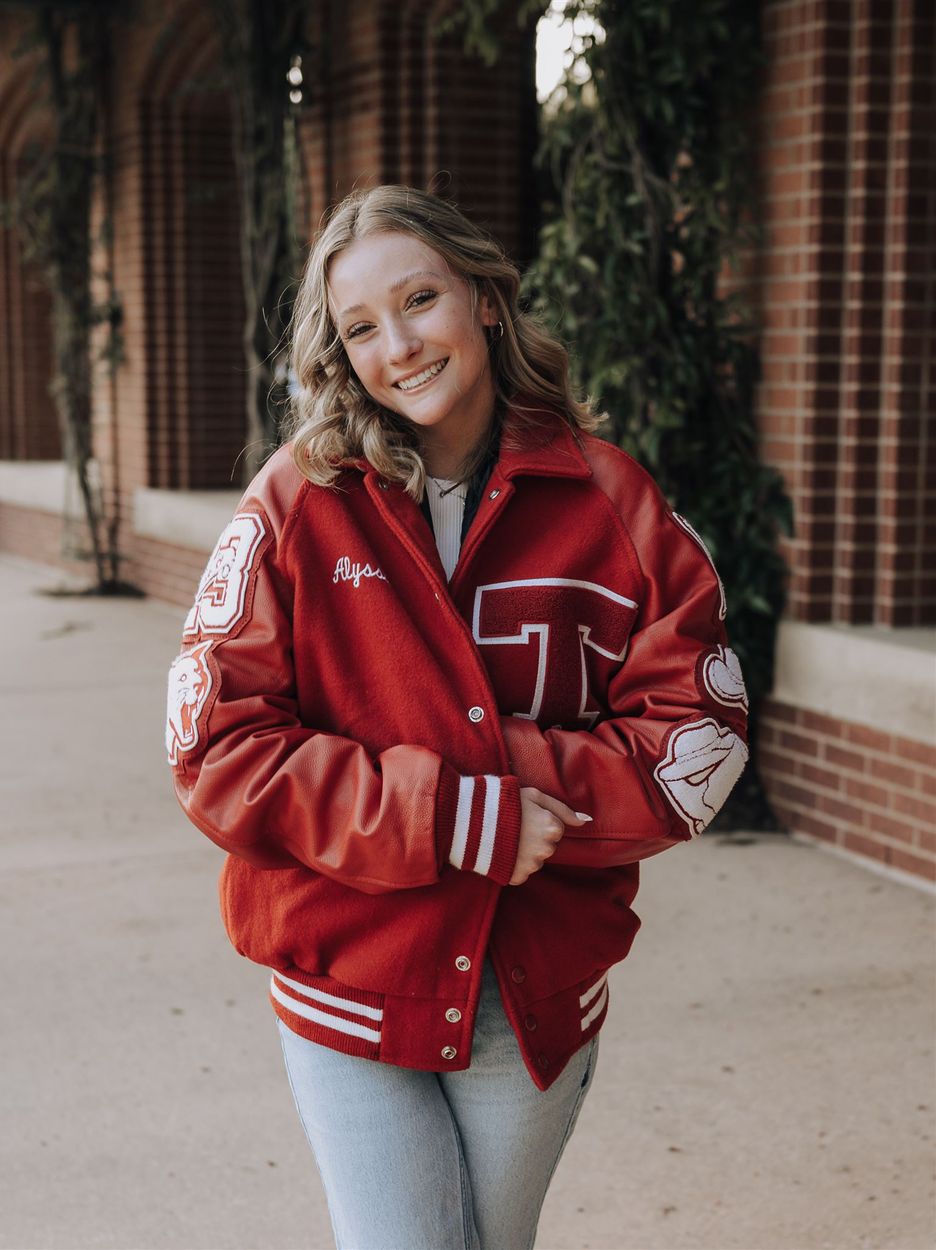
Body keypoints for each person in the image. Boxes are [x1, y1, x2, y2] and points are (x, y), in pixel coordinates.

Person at [167, 184, 749, 1250]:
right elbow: (215, 747)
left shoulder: (610, 500)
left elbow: (690, 746)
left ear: (483, 298)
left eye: (420, 297)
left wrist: (524, 793)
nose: (399, 343)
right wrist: (454, 814)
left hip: (531, 993)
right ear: (340, 353)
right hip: (350, 973)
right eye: (360, 326)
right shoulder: (299, 500)